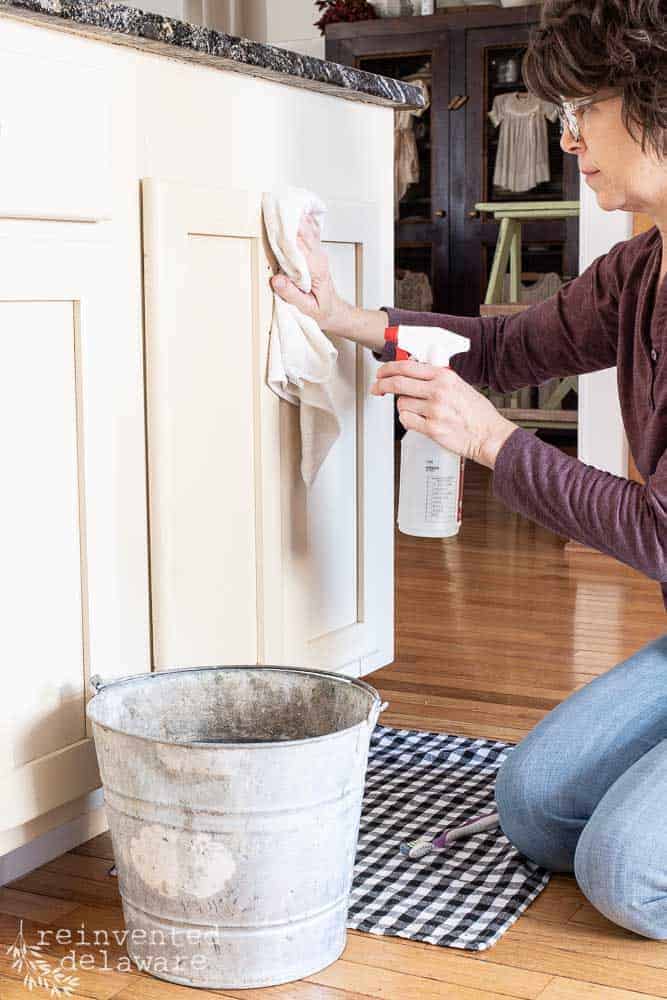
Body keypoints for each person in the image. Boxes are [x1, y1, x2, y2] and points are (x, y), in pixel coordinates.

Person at [271, 0, 667, 940]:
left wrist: (494, 444)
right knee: (535, 809)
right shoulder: (637, 269)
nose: (569, 140)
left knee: (625, 876)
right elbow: (499, 346)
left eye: (584, 109)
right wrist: (345, 317)